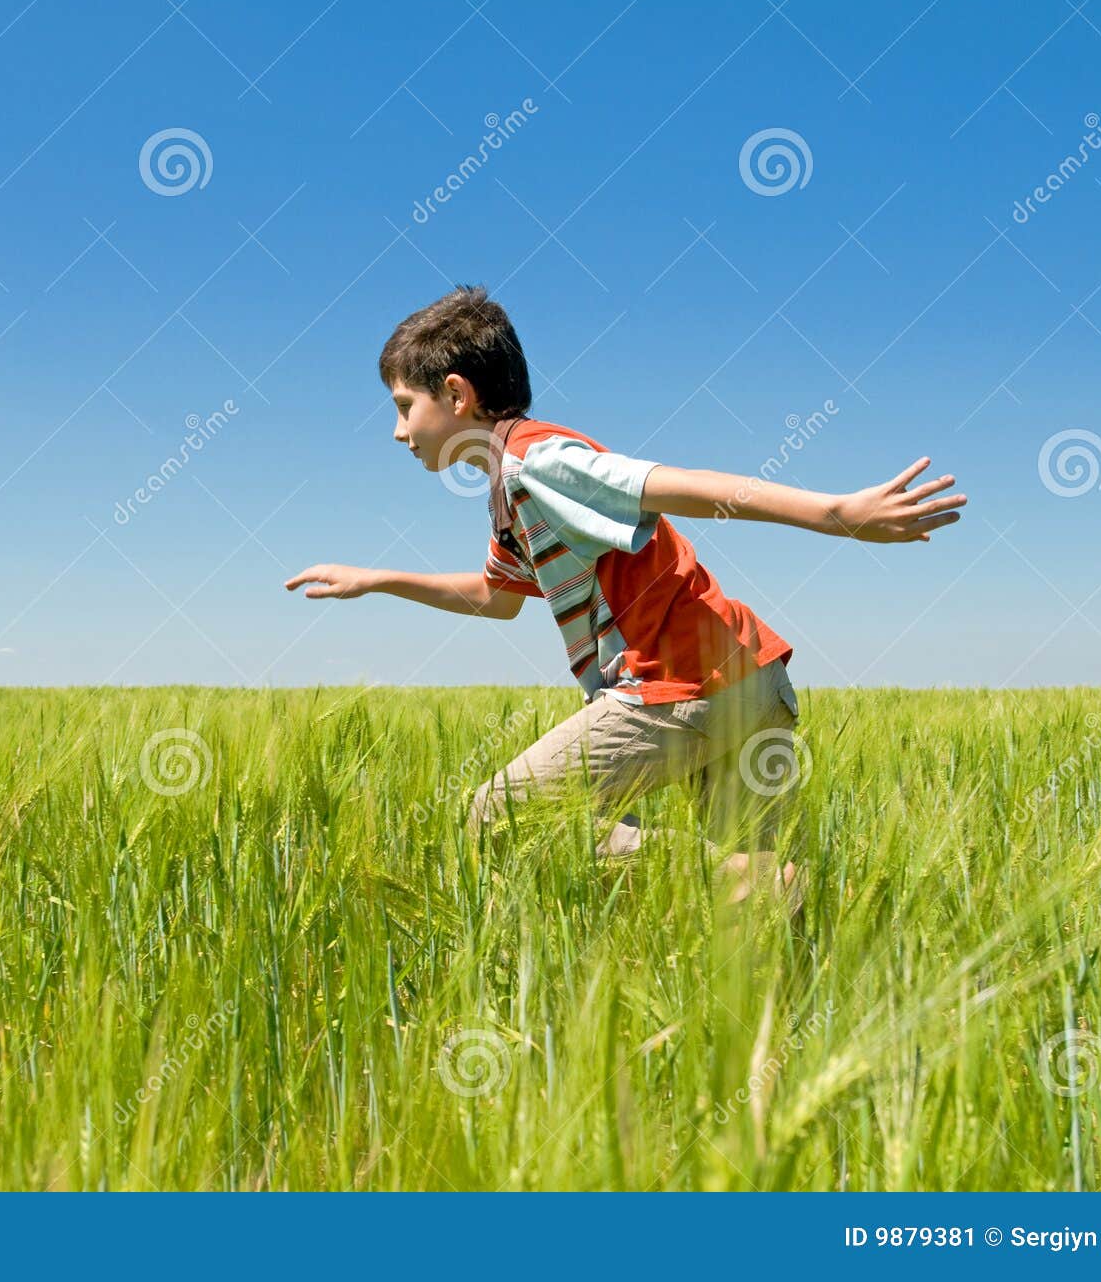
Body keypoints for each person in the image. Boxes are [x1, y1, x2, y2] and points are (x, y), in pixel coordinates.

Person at [284, 285, 966, 907]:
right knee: (765, 919)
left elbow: (683, 485)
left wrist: (834, 513)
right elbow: (496, 597)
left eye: (405, 407)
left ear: (457, 396)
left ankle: (736, 879)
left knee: (501, 818)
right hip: (748, 681)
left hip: (681, 686)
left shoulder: (538, 461)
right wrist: (377, 580)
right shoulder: (510, 489)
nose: (399, 431)